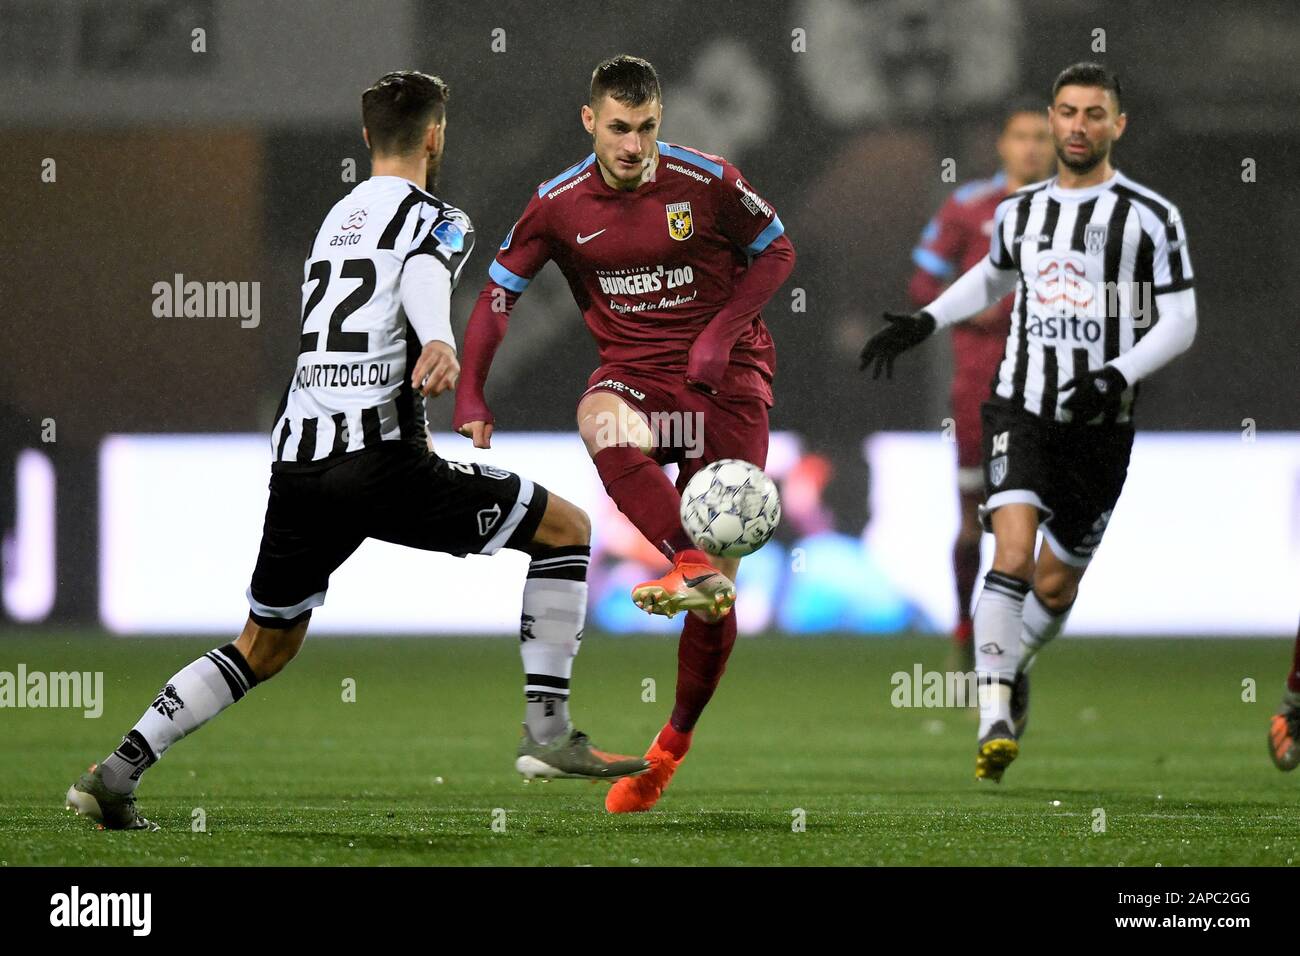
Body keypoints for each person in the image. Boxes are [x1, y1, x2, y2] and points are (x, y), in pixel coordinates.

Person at [66, 70, 646, 831]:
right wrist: (438, 335)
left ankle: (117, 770)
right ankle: (545, 733)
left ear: (366, 135)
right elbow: (423, 274)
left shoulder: (334, 220)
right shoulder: (438, 216)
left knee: (262, 644)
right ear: (437, 135)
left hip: (300, 466)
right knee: (567, 531)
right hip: (380, 460)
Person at [453, 55, 795, 812]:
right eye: (618, 128)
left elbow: (776, 249)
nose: (634, 145)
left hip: (727, 381)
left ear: (660, 120)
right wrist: (473, 387)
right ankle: (689, 557)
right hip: (638, 377)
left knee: (716, 607)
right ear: (590, 122)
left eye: (646, 128)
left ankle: (668, 748)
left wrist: (720, 333)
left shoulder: (706, 181)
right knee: (597, 418)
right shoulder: (558, 204)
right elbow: (500, 295)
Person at [860, 62, 1197, 782]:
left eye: (1092, 114)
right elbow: (992, 275)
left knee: (1054, 588)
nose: (1077, 126)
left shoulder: (1149, 216)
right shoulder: (1021, 211)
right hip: (1020, 406)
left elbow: (1181, 320)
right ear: (1053, 121)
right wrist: (925, 319)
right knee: (1007, 553)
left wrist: (1116, 372)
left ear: (1117, 125)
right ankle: (993, 713)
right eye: (1066, 113)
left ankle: (1013, 664)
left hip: (1102, 425)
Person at [907, 101, 1054, 671]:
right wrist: (971, 312)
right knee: (973, 523)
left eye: (1041, 137)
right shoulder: (968, 207)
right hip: (980, 390)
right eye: (1022, 136)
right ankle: (966, 628)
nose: (1032, 147)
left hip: (1048, 388)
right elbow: (922, 279)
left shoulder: (1073, 212)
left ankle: (1012, 641)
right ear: (1003, 144)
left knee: (1034, 522)